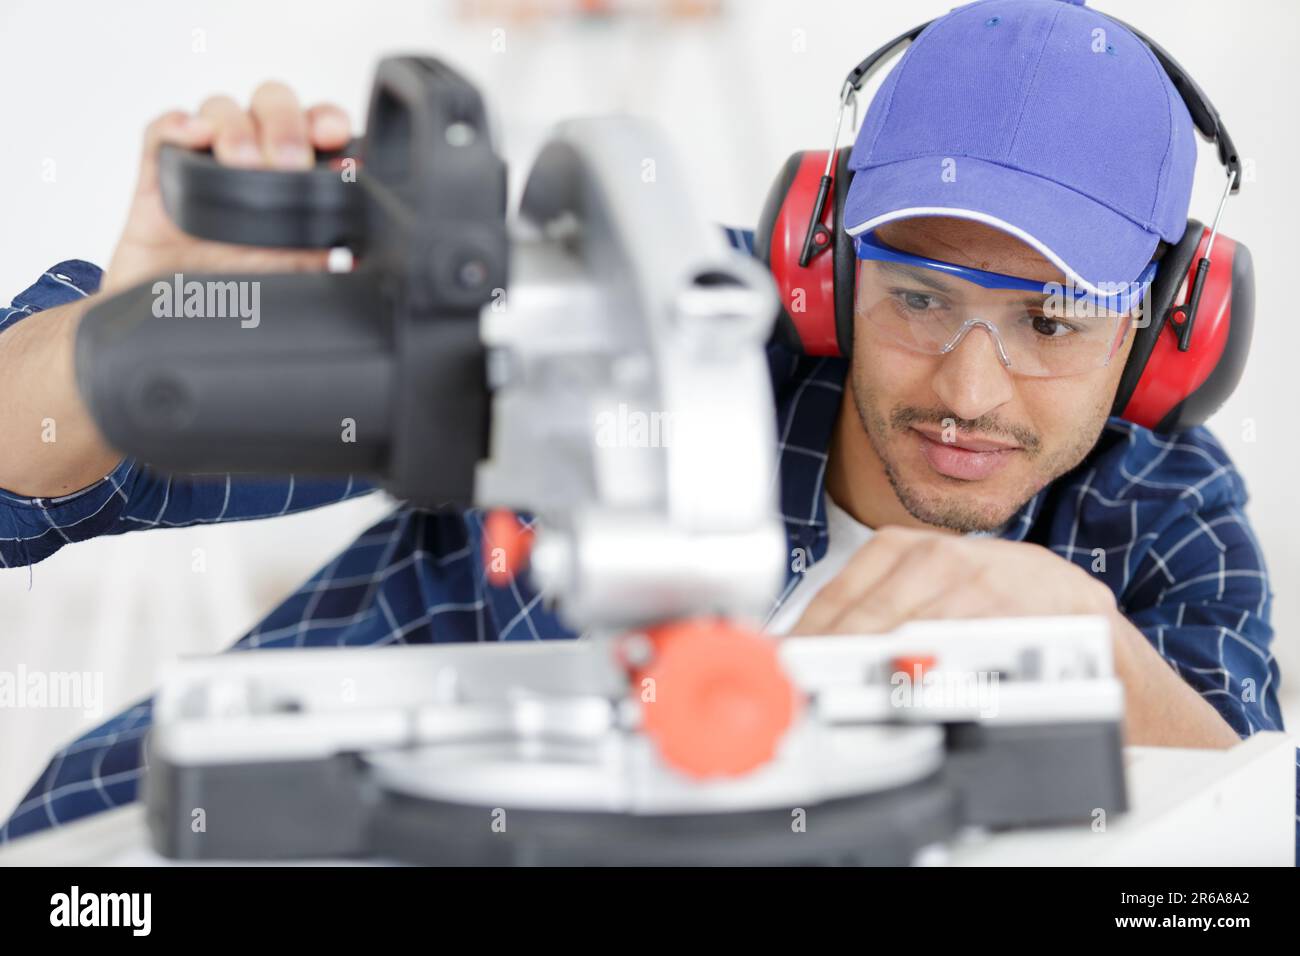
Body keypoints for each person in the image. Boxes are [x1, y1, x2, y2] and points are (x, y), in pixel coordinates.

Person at [0, 0, 1284, 850]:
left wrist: (1083, 640)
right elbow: (34, 475)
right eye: (918, 296)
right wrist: (145, 335)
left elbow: (1237, 836)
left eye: (1053, 322)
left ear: (1168, 327)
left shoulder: (1154, 501)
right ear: (819, 258)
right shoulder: (622, 305)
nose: (971, 387)